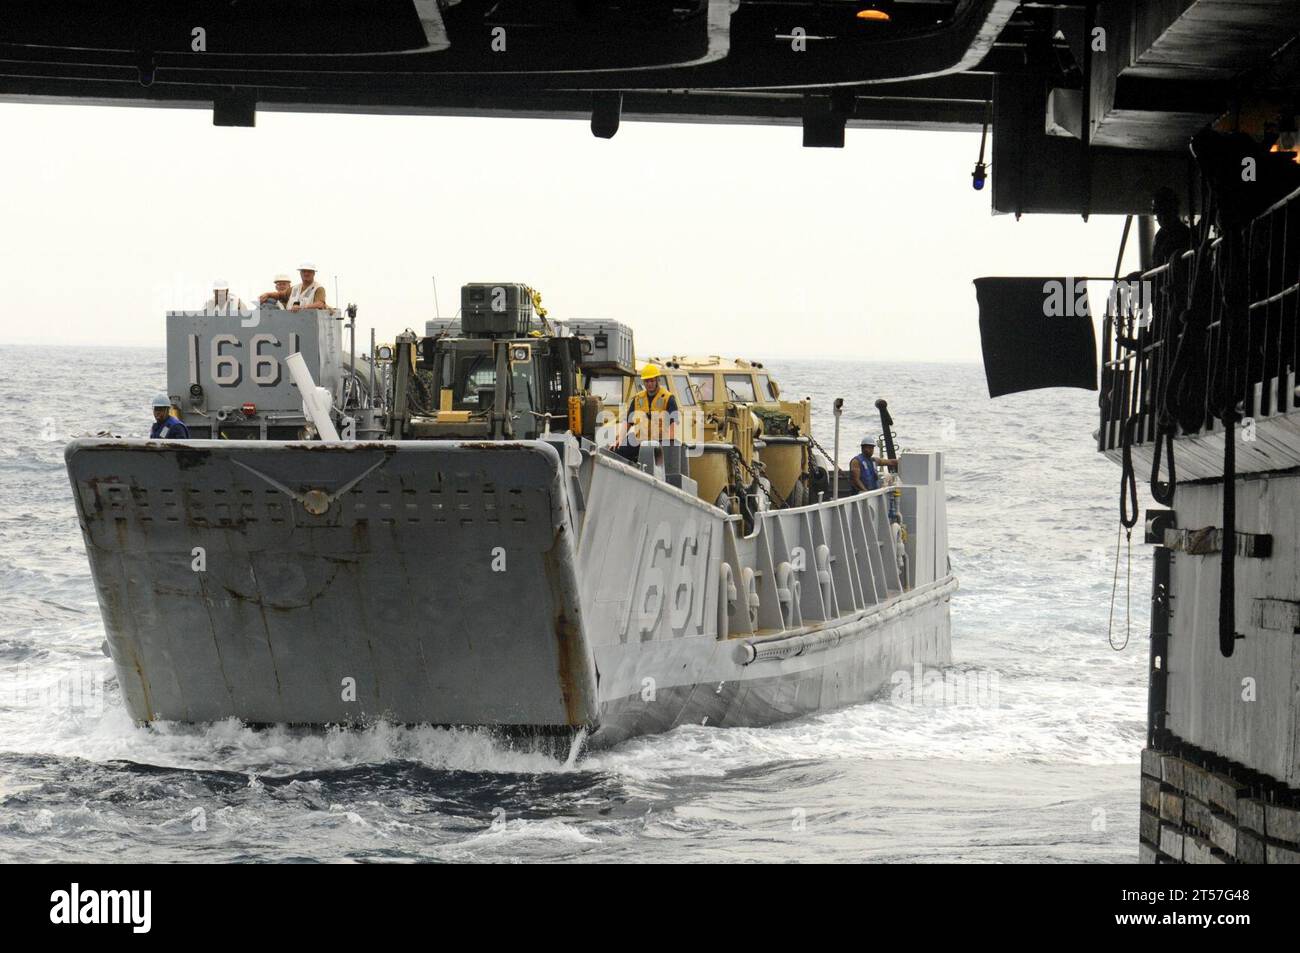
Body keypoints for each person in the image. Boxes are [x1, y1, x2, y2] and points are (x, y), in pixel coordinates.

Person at [613, 364, 679, 463]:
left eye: (652, 381)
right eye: (647, 381)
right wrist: (620, 439)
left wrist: (669, 446)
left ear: (657, 380)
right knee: (617, 451)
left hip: (659, 443)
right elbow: (628, 421)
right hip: (641, 440)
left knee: (656, 463)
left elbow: (672, 424)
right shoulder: (638, 398)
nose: (649, 384)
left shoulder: (668, 398)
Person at [260, 264, 327, 311]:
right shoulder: (295, 288)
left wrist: (301, 308)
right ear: (300, 273)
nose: (306, 274)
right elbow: (280, 295)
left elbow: (320, 304)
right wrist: (268, 294)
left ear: (313, 273)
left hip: (307, 321)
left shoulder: (318, 288)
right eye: (303, 271)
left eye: (309, 271)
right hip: (290, 321)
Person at [1152, 187, 1191, 266]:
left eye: (1166, 212)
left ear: (1174, 211)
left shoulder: (1185, 235)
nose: (1163, 217)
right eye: (1159, 213)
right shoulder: (1160, 236)